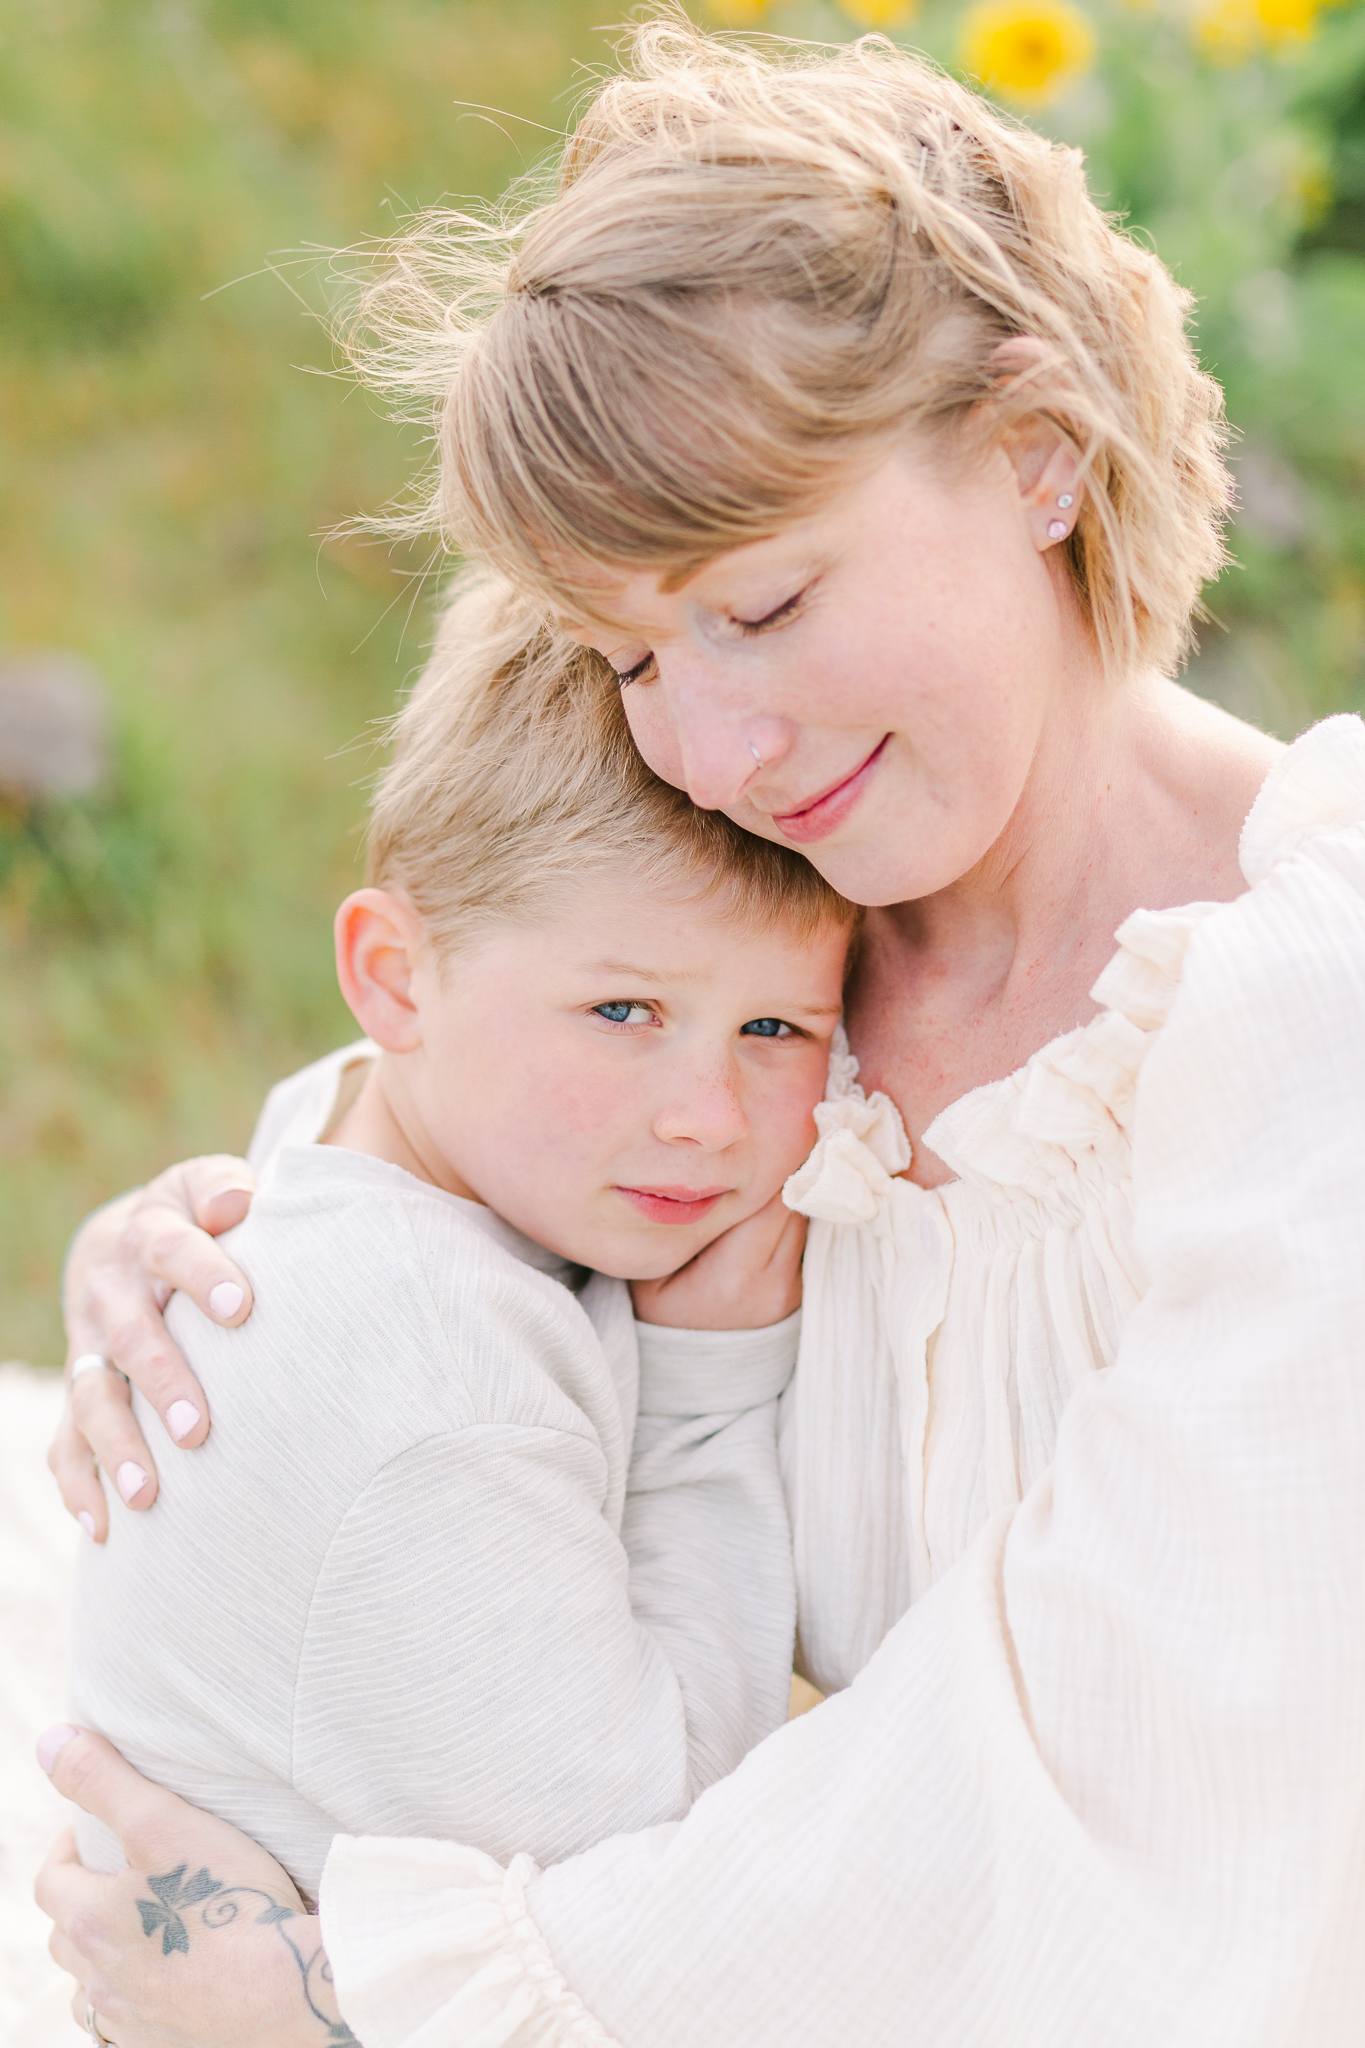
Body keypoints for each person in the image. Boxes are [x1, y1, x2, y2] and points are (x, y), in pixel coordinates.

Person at [36, 19, 1365, 2047]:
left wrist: (352, 2001)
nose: (714, 745)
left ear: (1034, 451)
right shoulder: (764, 959)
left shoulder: (1299, 1020)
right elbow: (464, 1071)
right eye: (624, 650)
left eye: (757, 607)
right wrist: (236, 1230)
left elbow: (1113, 1777)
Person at [63, 570, 854, 1901]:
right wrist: (707, 1393)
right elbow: (662, 1848)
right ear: (392, 977)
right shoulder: (431, 1382)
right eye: (622, 1012)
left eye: (775, 1030)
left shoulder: (385, 1157)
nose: (709, 1118)